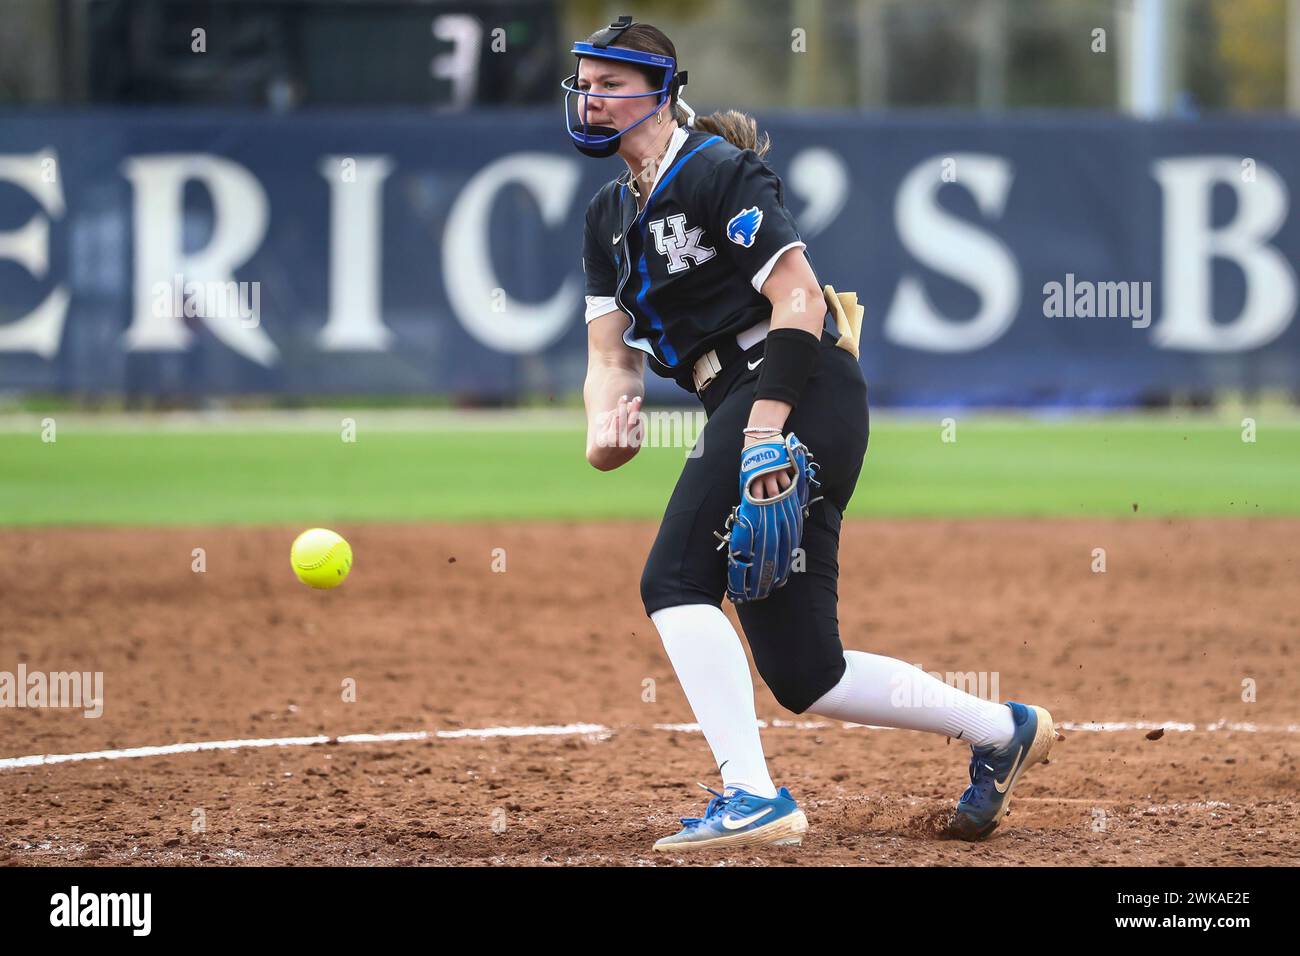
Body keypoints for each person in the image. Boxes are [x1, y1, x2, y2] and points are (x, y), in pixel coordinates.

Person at [564, 16, 1056, 852]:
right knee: (804, 672)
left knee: (675, 581)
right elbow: (609, 355)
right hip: (739, 399)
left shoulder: (715, 170)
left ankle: (752, 798)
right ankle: (1001, 731)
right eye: (585, 81)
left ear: (661, 89)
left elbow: (797, 298)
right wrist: (605, 418)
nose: (591, 96)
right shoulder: (609, 214)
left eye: (611, 82)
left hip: (798, 387)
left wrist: (764, 430)